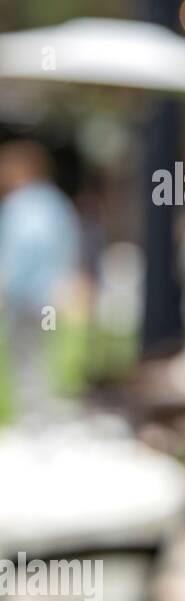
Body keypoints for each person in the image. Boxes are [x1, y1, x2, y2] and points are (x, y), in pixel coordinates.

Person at [0, 140, 82, 419]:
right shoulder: (56, 202)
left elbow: (20, 251)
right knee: (47, 357)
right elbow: (69, 245)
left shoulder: (22, 204)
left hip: (28, 296)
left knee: (26, 357)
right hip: (52, 295)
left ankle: (36, 419)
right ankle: (47, 416)